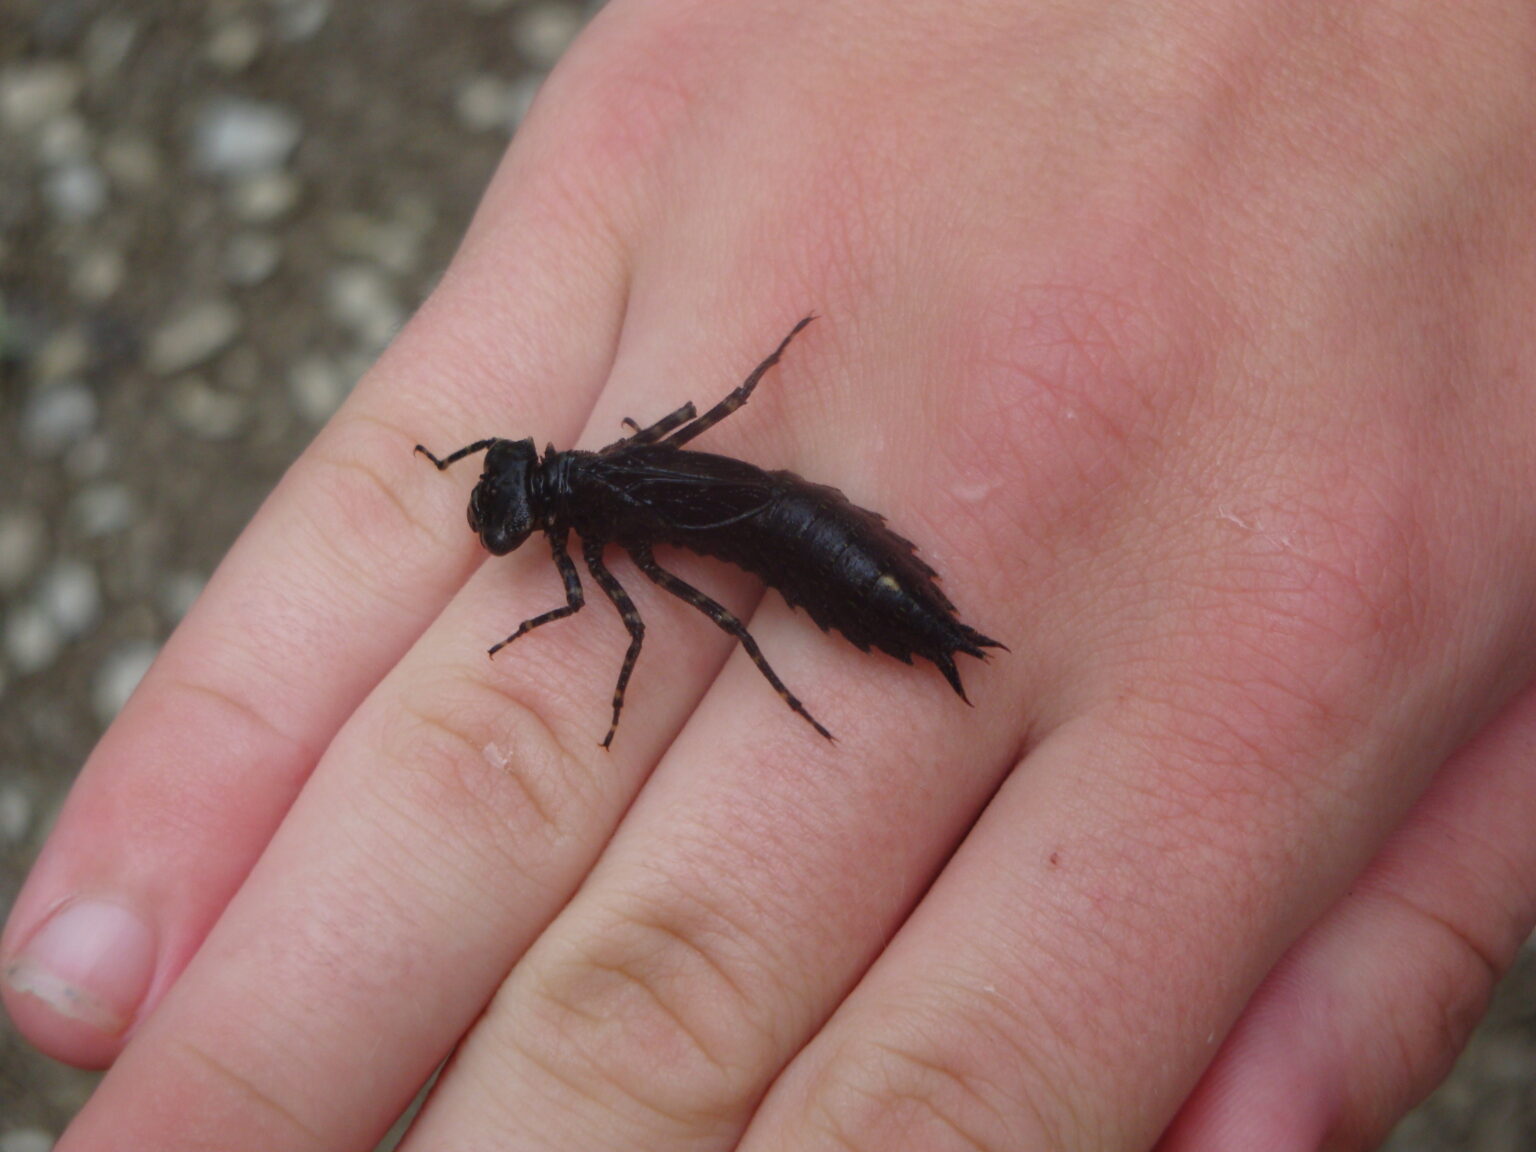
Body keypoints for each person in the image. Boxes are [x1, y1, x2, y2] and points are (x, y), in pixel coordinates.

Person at [6, 1, 1536, 1148]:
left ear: (545, 493)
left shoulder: (593, 523)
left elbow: (624, 593)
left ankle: (913, 632)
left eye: (518, 497)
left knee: (743, 590)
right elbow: (687, 493)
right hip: (801, 530)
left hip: (813, 543)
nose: (528, 511)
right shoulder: (603, 480)